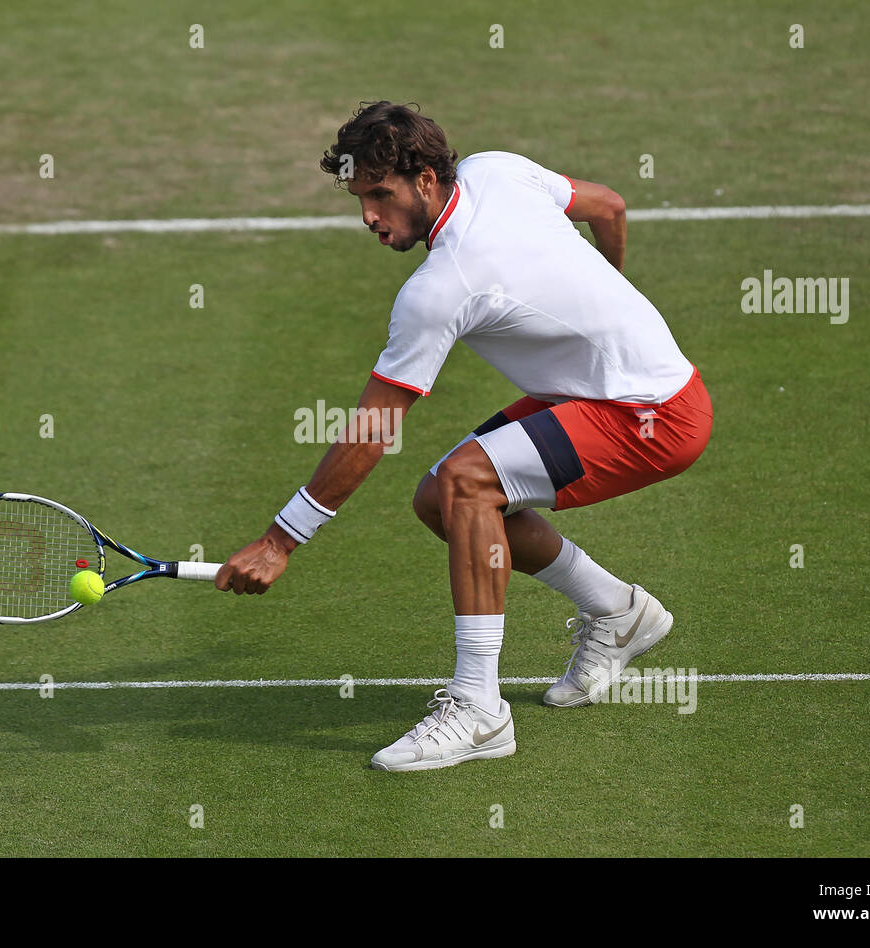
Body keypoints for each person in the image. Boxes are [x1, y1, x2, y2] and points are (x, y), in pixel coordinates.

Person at [215, 101, 713, 772]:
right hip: (619, 390)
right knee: (438, 500)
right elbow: (611, 208)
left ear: (424, 180)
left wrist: (281, 541)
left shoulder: (441, 286)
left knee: (465, 481)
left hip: (653, 416)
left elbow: (374, 426)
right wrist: (608, 298)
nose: (368, 215)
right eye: (359, 197)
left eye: (379, 195)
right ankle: (616, 610)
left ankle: (480, 710)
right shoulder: (498, 171)